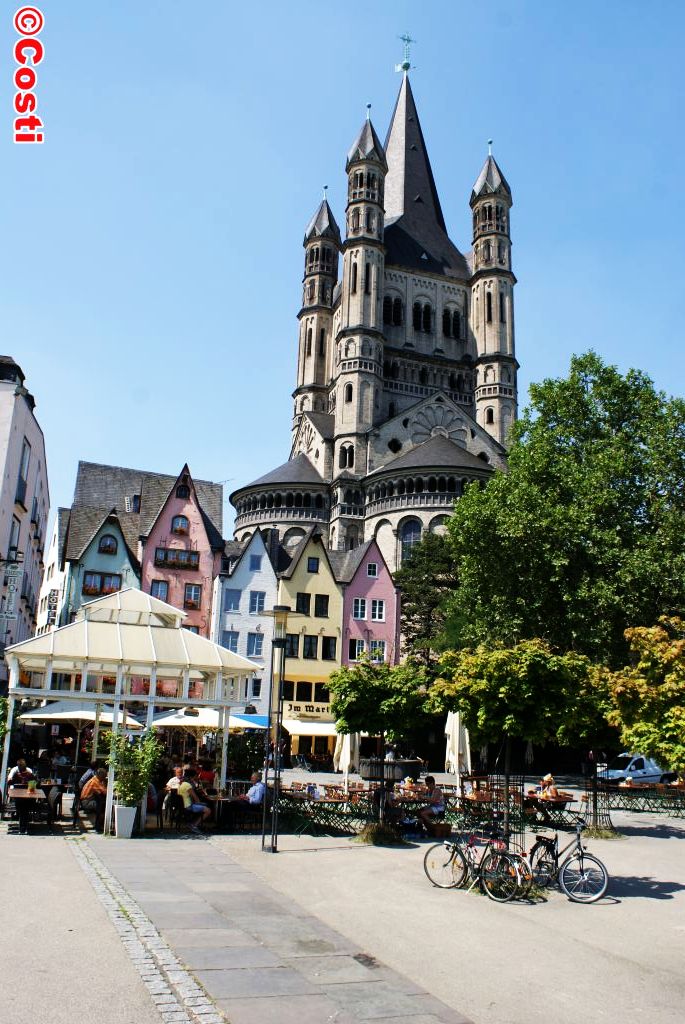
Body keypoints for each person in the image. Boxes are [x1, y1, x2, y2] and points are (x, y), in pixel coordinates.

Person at [177, 769, 212, 834]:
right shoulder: (188, 785)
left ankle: (192, 823)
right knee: (208, 810)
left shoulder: (181, 784)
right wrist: (201, 803)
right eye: (196, 776)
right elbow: (195, 797)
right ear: (192, 776)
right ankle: (194, 825)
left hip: (183, 805)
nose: (197, 777)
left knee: (203, 805)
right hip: (188, 806)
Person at [7, 759, 36, 834]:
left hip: (18, 800)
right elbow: (32, 788)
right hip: (28, 800)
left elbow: (9, 783)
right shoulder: (30, 775)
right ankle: (24, 828)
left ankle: (22, 828)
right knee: (25, 811)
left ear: (18, 767)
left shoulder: (16, 775)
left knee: (22, 810)